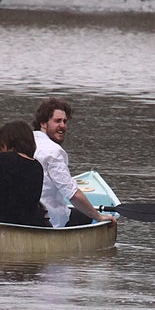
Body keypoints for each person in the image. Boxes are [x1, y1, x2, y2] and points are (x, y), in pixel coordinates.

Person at [32, 97, 114, 228]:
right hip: (50, 218)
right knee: (87, 216)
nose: (63, 126)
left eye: (65, 121)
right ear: (43, 123)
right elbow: (72, 194)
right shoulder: (54, 151)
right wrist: (98, 216)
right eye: (57, 121)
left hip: (25, 214)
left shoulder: (26, 141)